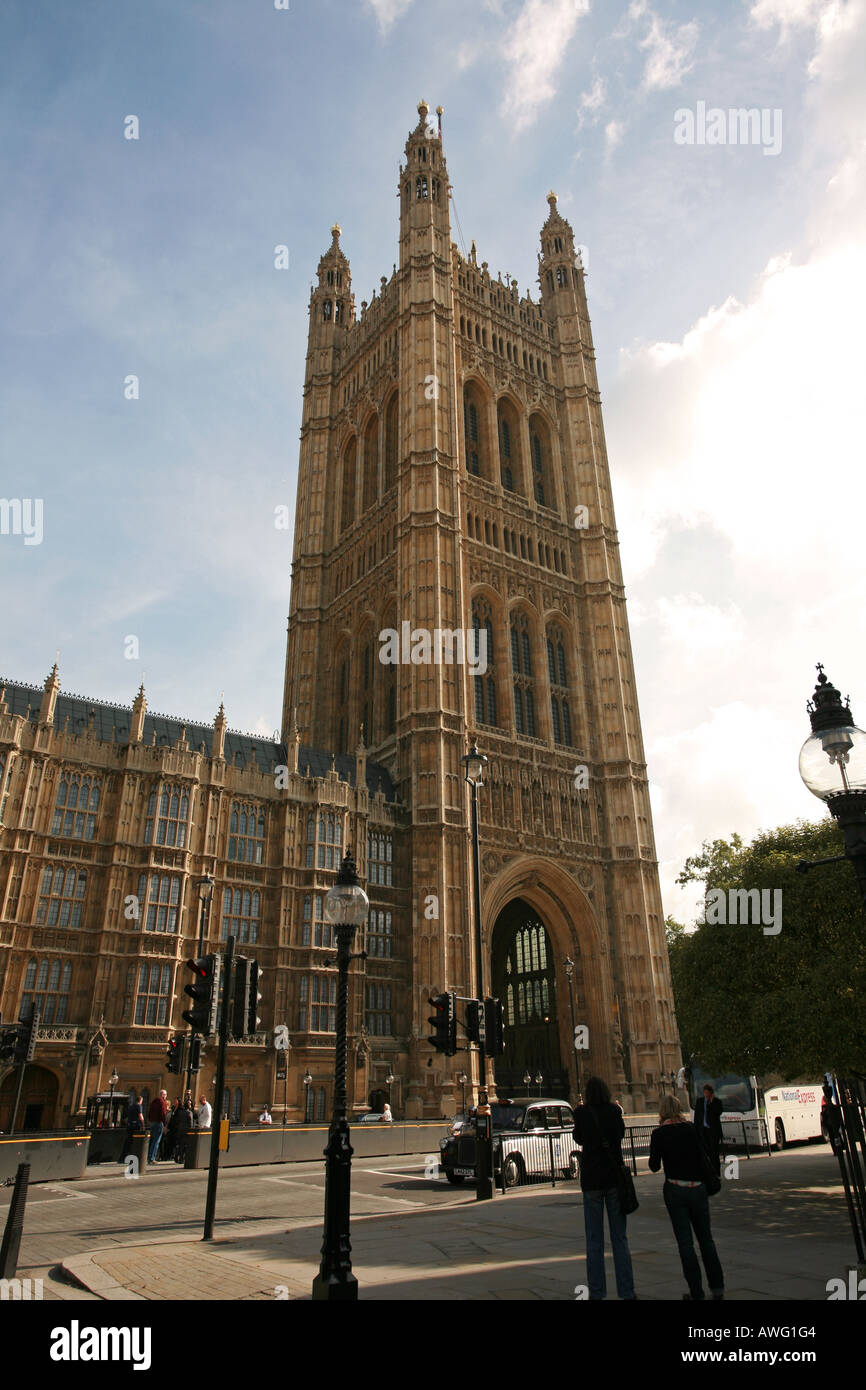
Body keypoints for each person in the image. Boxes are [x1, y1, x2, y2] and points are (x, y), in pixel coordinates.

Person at [649, 1094, 725, 1301]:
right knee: (707, 1240)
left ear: (662, 1111)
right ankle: (717, 1289)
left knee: (685, 1244)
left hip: (675, 1190)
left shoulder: (659, 1134)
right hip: (698, 1188)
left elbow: (654, 1166)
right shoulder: (691, 1129)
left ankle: (696, 1292)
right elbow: (706, 1152)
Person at [572, 1076, 637, 1300]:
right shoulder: (614, 1112)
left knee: (593, 1241)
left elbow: (578, 1138)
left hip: (591, 1182)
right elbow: (619, 1134)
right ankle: (627, 1293)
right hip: (613, 1181)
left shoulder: (581, 1113)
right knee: (620, 1239)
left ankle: (597, 1294)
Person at [692, 1083, 723, 1176]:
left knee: (714, 1153)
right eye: (705, 1092)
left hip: (713, 1131)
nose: (706, 1094)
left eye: (707, 1092)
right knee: (705, 1153)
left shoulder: (716, 1102)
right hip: (703, 1130)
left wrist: (712, 1102)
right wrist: (696, 1129)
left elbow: (718, 1112)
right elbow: (697, 1116)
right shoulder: (700, 1101)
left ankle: (716, 1173)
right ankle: (708, 1173)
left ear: (711, 1093)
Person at [121, 1093, 145, 1161]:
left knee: (128, 1141)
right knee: (135, 1142)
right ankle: (133, 1156)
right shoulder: (138, 1106)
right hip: (136, 1125)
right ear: (140, 1100)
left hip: (129, 1125)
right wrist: (143, 1124)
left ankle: (123, 1157)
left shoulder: (131, 1106)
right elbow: (140, 1116)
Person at [147, 1089, 168, 1164]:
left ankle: (148, 1157)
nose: (166, 1096)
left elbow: (149, 1111)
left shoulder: (154, 1101)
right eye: (165, 1095)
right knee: (156, 1141)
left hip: (152, 1122)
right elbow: (163, 1113)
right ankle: (152, 1158)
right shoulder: (162, 1102)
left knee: (152, 1140)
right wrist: (165, 1124)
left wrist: (150, 1120)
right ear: (163, 1095)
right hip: (158, 1123)